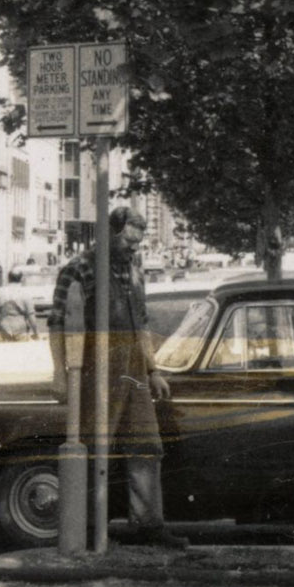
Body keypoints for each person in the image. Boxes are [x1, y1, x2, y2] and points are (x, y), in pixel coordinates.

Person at [48, 206, 186, 548]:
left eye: (139, 242)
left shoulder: (134, 269)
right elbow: (57, 322)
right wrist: (60, 374)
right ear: (109, 233)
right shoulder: (78, 269)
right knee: (98, 446)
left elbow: (141, 321)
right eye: (128, 240)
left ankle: (148, 526)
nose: (134, 248)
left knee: (147, 444)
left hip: (134, 370)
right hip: (98, 367)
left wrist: (152, 369)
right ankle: (93, 530)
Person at [0, 267, 37, 340]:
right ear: (21, 279)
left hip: (4, 326)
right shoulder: (25, 293)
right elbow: (31, 315)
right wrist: (36, 333)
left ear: (8, 278)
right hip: (20, 327)